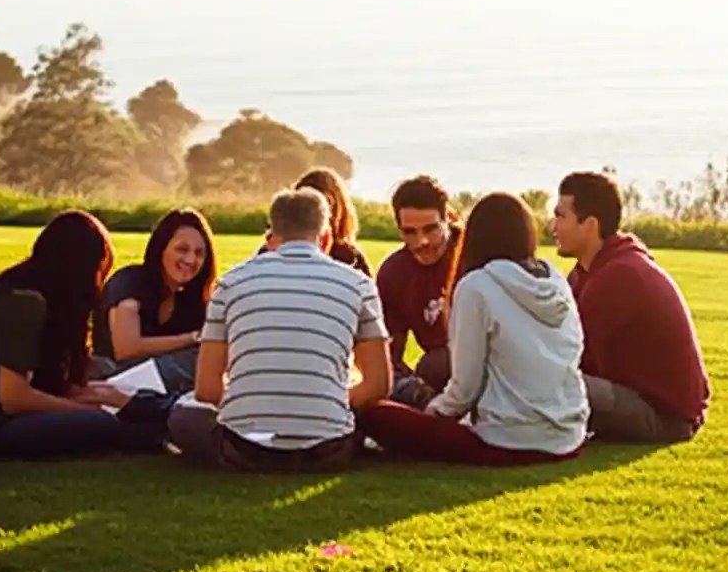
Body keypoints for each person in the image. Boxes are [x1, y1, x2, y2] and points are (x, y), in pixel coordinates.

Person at [167, 188, 392, 473]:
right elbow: (378, 384)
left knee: (181, 416)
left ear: (272, 236)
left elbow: (207, 389)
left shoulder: (231, 283)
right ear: (325, 238)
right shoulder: (358, 285)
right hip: (328, 450)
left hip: (244, 449)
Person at [360, 193, 589, 465]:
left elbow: (464, 390)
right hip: (569, 436)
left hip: (508, 440)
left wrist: (432, 413)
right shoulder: (556, 281)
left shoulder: (476, 286)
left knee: (375, 414)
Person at [0, 210, 165, 458]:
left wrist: (101, 396)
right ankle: (144, 436)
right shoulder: (23, 301)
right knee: (99, 423)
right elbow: (14, 397)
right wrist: (76, 408)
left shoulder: (41, 295)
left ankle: (149, 427)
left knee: (103, 391)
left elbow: (50, 384)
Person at [551, 171, 711, 444]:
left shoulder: (621, 276)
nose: (552, 226)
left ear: (589, 225)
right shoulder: (584, 272)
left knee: (549, 380)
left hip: (665, 417)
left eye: (560, 216)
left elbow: (566, 354)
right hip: (630, 396)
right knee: (546, 377)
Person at [90, 209, 217, 393]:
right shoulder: (130, 281)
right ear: (161, 248)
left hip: (161, 388)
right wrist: (192, 338)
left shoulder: (193, 300)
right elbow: (126, 348)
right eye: (182, 249)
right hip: (114, 375)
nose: (190, 259)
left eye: (199, 253)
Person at [375, 175, 461, 406]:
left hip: (489, 365)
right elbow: (387, 357)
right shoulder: (394, 273)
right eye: (409, 232)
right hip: (436, 379)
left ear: (449, 219)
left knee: (436, 363)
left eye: (431, 229)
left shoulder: (472, 254)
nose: (421, 241)